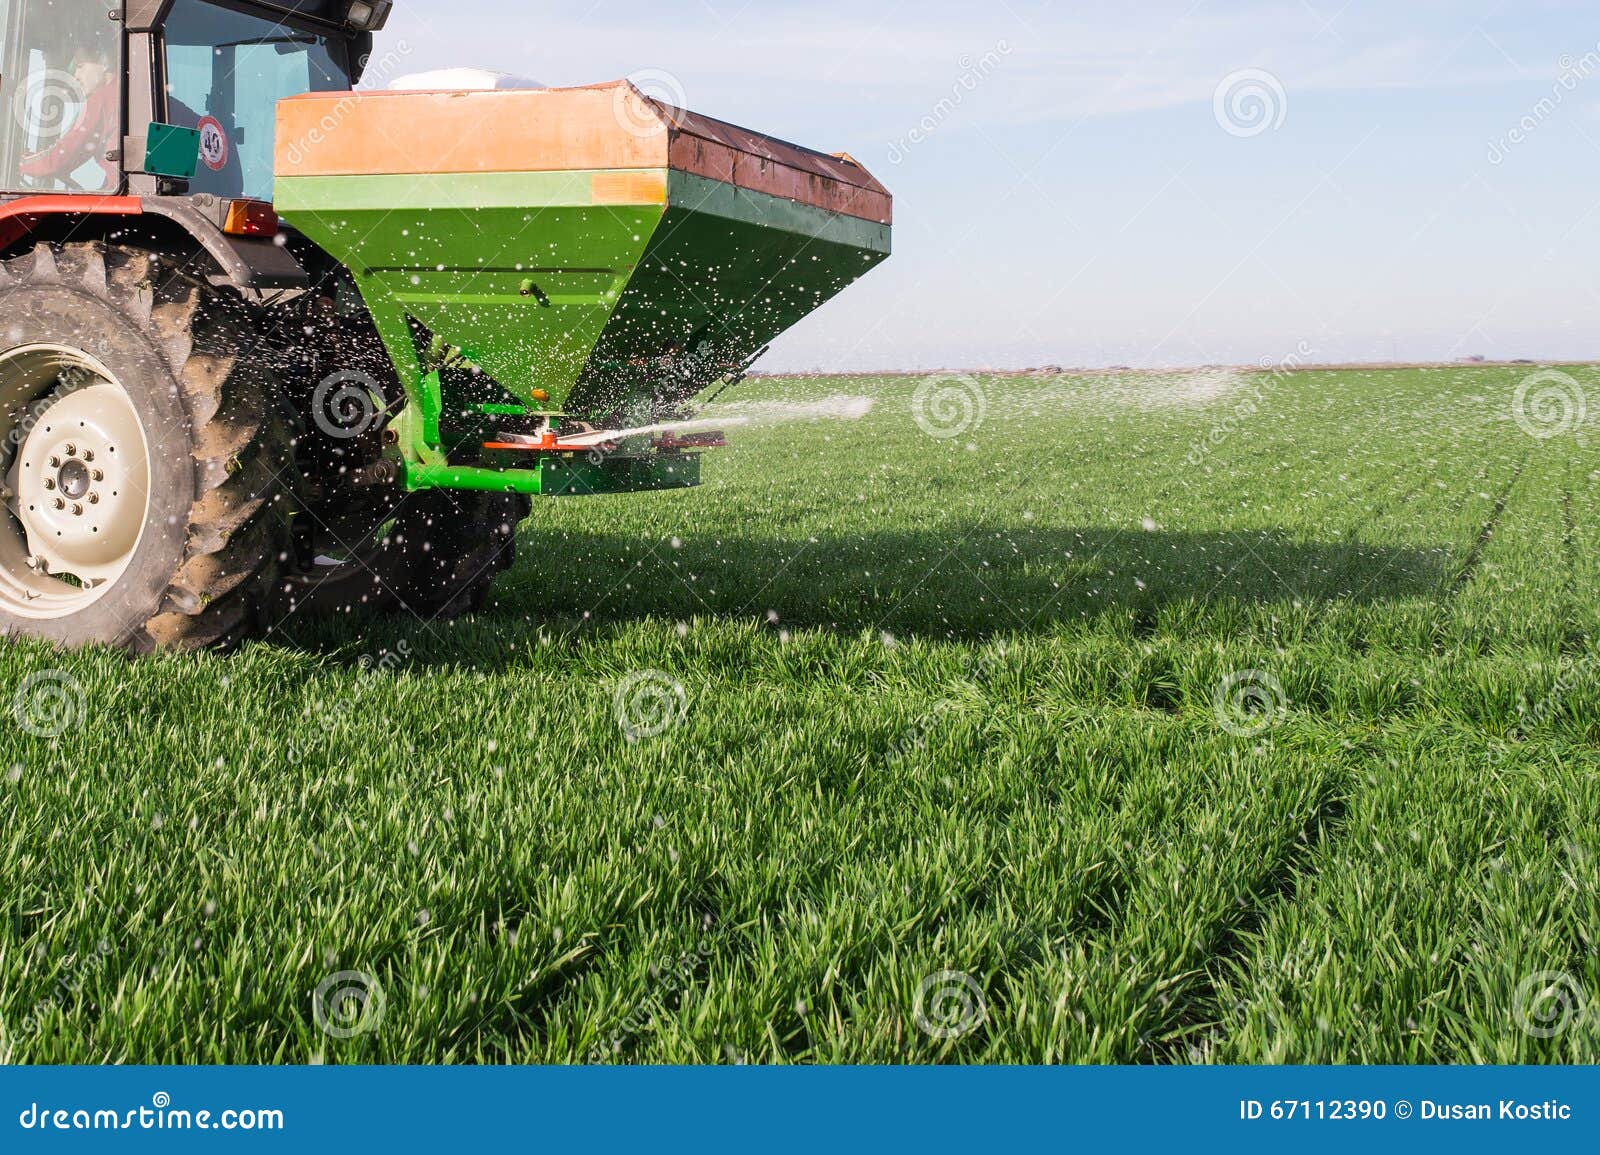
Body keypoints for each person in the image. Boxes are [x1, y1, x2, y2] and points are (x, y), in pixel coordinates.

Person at [19, 44, 118, 190]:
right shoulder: (122, 93)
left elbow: (63, 156)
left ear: (104, 63)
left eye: (80, 66)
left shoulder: (100, 99)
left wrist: (21, 162)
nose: (76, 77)